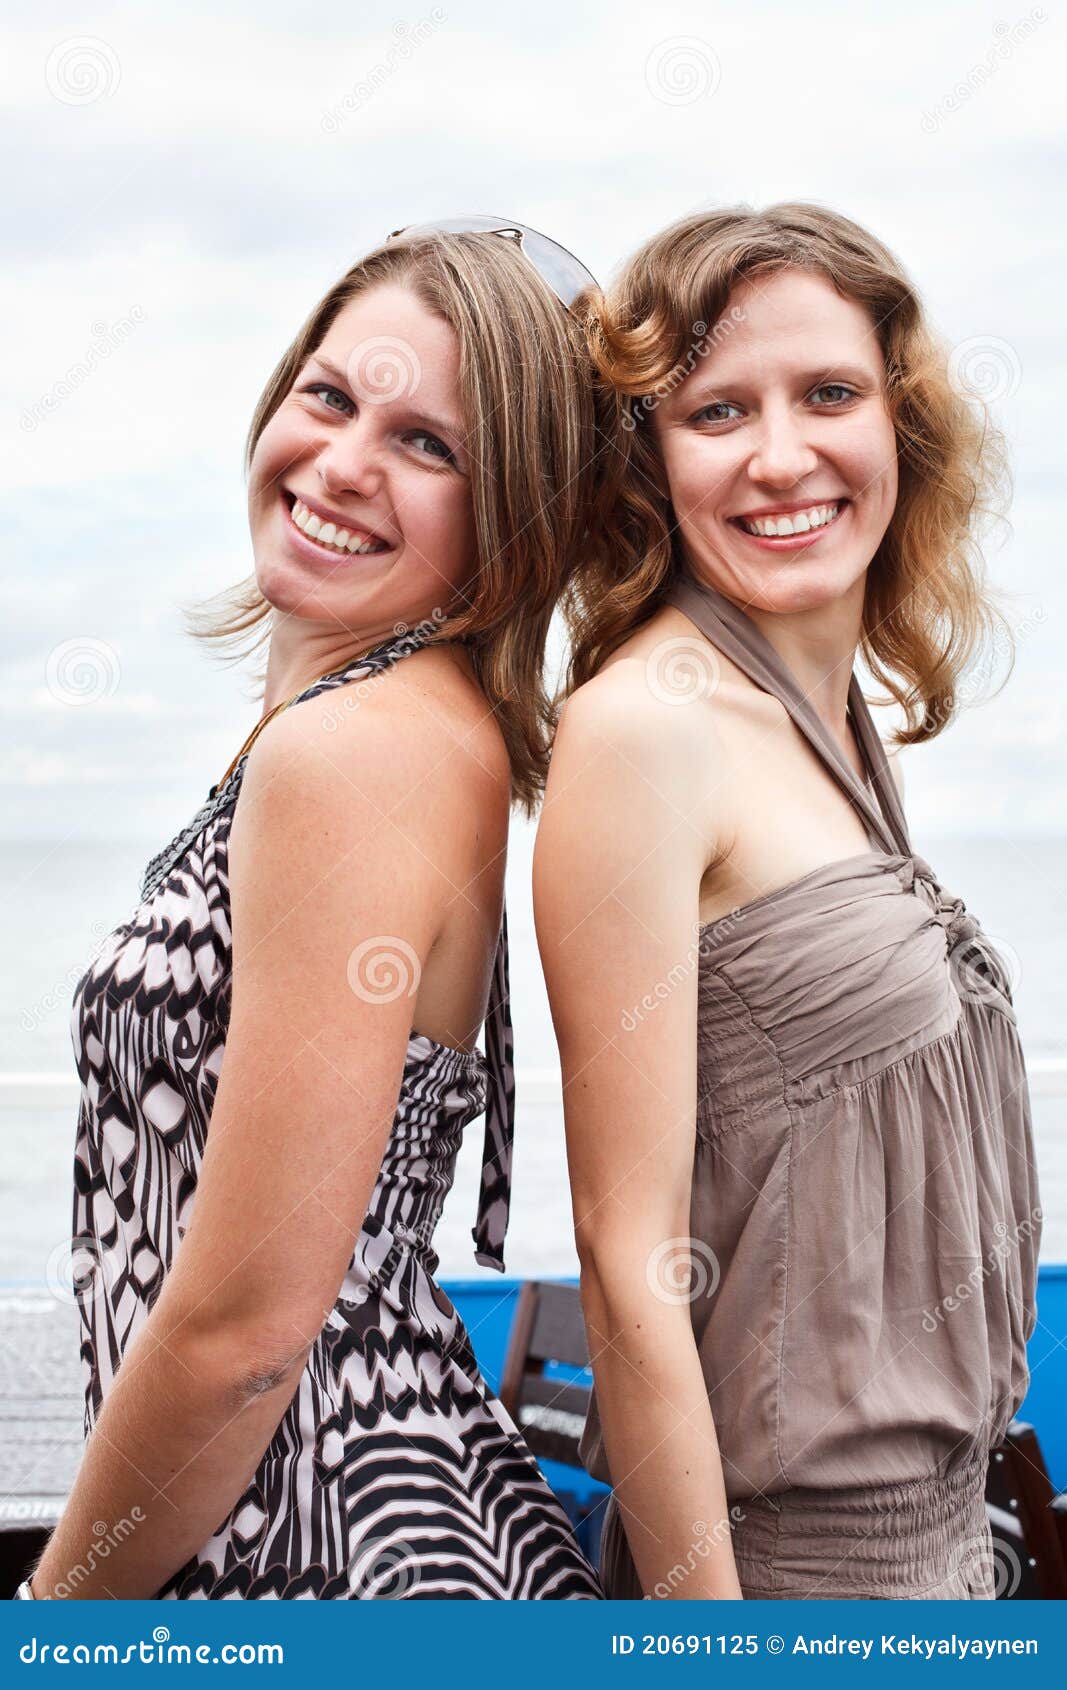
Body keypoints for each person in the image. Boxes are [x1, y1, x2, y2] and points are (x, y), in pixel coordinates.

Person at [19, 220, 605, 1600]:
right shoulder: (399, 723)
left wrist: (55, 1610)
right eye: (332, 396)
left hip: (318, 1546)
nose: (341, 463)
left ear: (513, 509)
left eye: (429, 445)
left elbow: (243, 1331)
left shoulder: (356, 753)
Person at [533, 203, 1041, 1600]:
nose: (781, 455)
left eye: (829, 394)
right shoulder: (648, 730)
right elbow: (627, 1262)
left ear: (900, 425)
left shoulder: (830, 722)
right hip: (797, 1571)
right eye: (716, 411)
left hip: (946, 1542)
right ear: (649, 456)